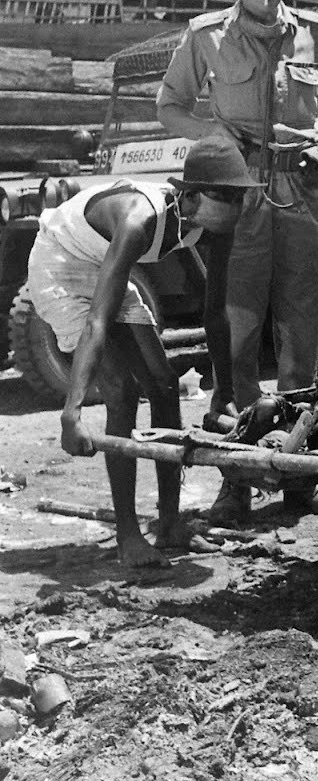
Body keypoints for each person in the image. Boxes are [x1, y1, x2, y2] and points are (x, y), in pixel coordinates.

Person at [157, 0, 318, 524]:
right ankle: (237, 483)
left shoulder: (314, 33)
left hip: (303, 195)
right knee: (235, 340)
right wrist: (213, 138)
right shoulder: (206, 37)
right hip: (239, 199)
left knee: (302, 338)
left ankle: (302, 481)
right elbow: (170, 106)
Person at [25, 135, 259, 567]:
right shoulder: (139, 220)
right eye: (226, 197)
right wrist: (71, 412)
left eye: (239, 197)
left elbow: (215, 313)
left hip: (99, 264)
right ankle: (128, 537)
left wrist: (223, 392)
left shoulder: (215, 226)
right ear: (191, 197)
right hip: (60, 265)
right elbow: (98, 321)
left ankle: (169, 525)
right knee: (120, 391)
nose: (236, 206)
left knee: (165, 385)